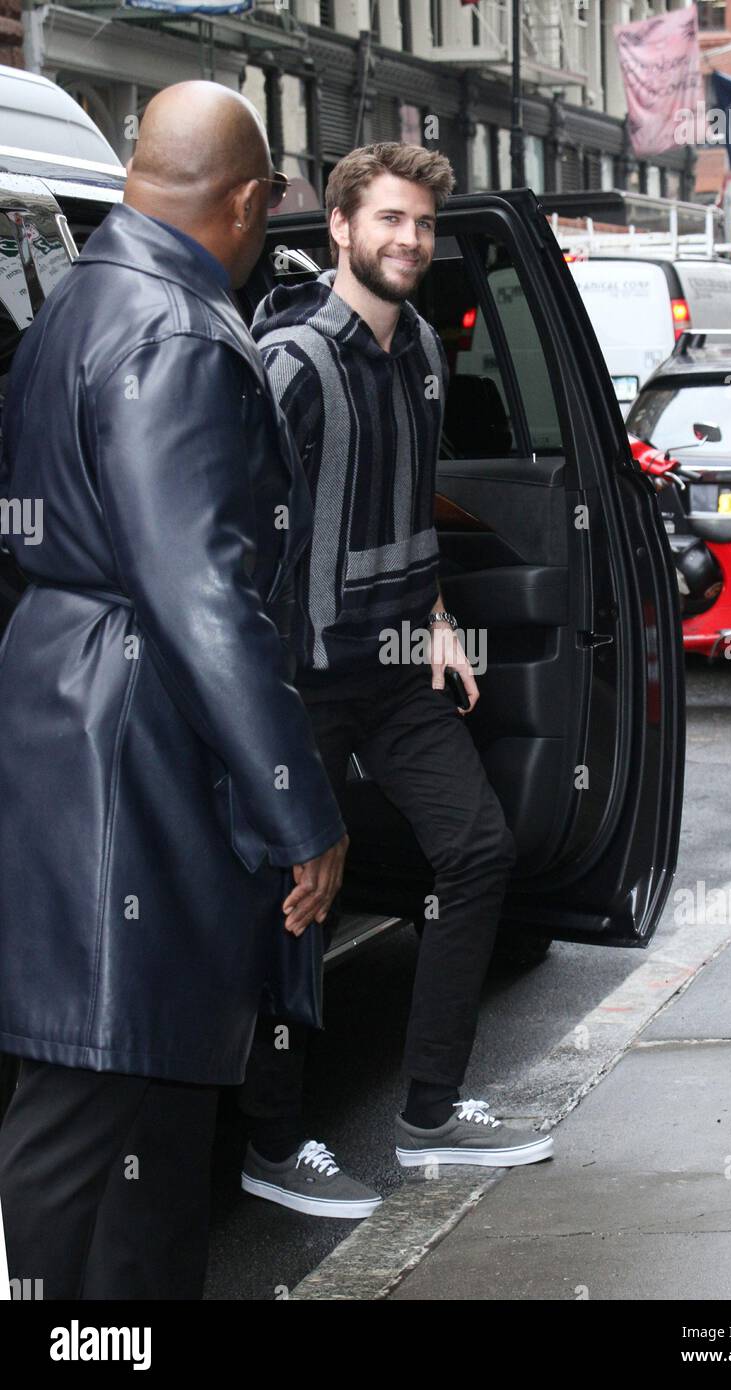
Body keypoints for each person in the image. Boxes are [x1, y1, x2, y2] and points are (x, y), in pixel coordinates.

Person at [0, 80, 347, 1299]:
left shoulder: (75, 304)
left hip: (74, 711)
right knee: (95, 1095)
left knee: (141, 1089)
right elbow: (200, 595)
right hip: (130, 748)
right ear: (249, 202)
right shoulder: (178, 332)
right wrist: (300, 806)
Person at [238, 142, 553, 1220]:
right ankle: (272, 1142)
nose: (408, 240)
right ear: (338, 227)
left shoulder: (420, 344)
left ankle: (429, 1110)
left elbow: (411, 501)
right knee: (294, 908)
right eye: (387, 220)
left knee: (475, 849)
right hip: (298, 680)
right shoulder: (287, 361)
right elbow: (232, 536)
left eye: (420, 223)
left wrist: (433, 621)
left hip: (397, 662)